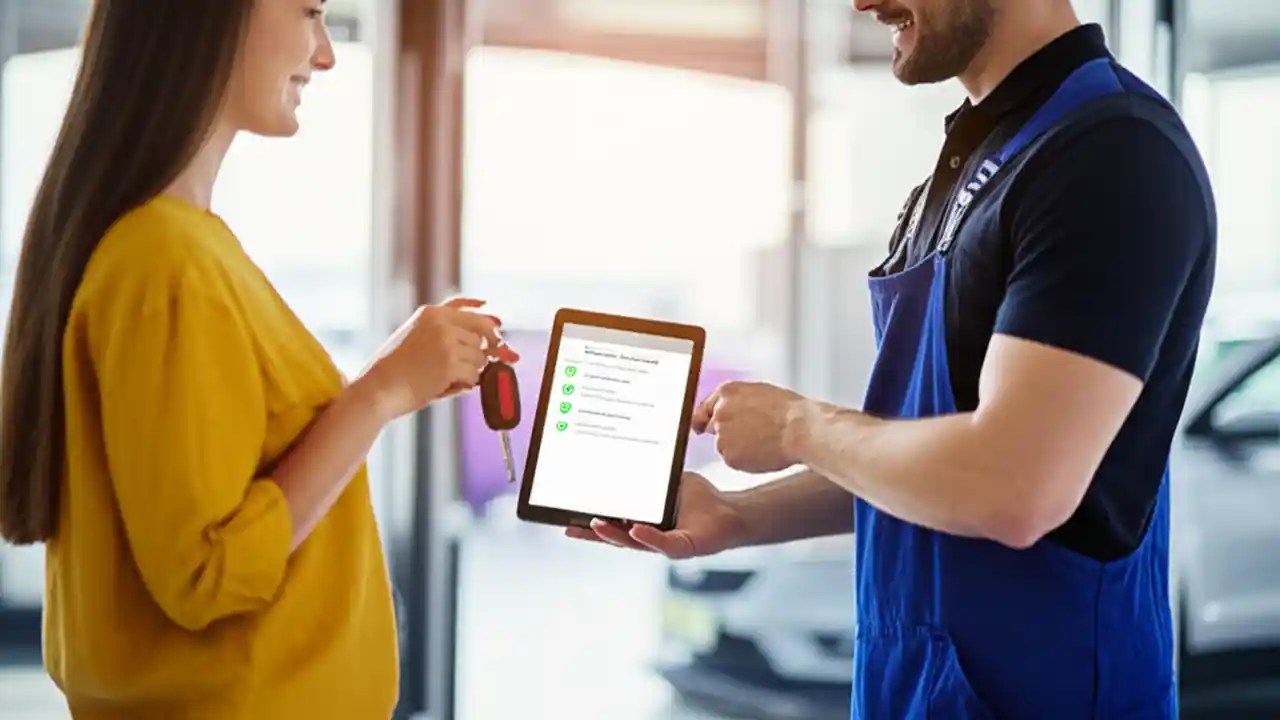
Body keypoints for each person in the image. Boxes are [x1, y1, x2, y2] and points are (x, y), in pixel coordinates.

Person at [570, 0, 1216, 717]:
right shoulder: (967, 169)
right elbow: (924, 457)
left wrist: (797, 428)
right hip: (914, 691)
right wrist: (737, 514)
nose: (862, 2)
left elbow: (1012, 484)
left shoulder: (1111, 156)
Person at [0, 1, 517, 717]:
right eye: (310, 13)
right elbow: (209, 572)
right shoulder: (168, 259)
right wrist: (377, 395)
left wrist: (395, 377)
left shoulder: (178, 245)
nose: (326, 53)